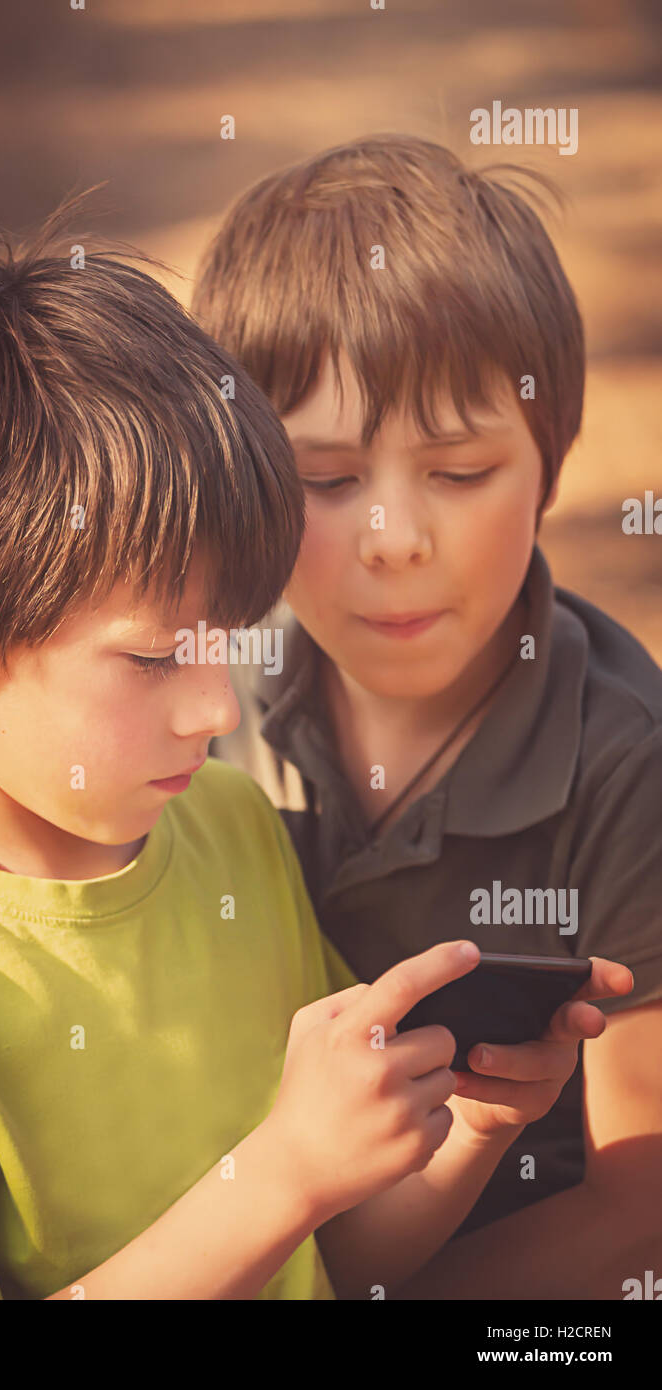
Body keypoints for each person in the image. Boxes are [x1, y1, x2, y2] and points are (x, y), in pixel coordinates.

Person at [0, 193, 626, 1302]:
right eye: (149, 661)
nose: (208, 707)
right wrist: (276, 1174)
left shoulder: (227, 827)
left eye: (221, 645)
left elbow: (326, 1261)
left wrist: (465, 1124)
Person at [193, 134, 661, 1299]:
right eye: (325, 479)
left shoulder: (625, 760)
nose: (393, 538)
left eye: (456, 473)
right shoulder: (202, 710)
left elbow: (640, 1204)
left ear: (548, 470)